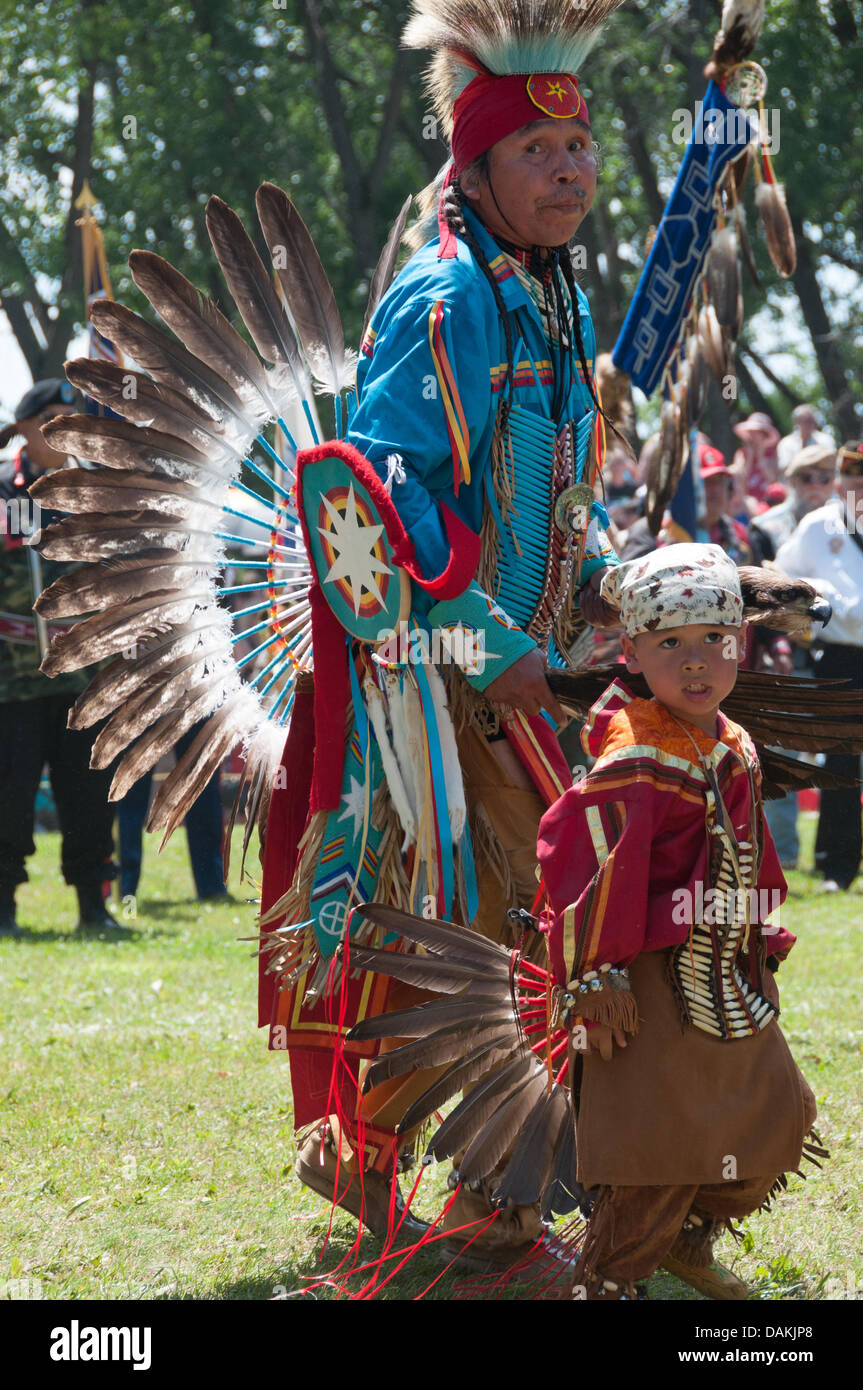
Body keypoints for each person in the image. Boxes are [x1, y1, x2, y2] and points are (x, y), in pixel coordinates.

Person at [259, 0, 622, 1264]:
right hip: (423, 689)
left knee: (536, 923)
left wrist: (610, 584)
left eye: (579, 152)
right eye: (539, 153)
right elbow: (389, 500)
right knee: (450, 923)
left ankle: (493, 1188)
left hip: (513, 680)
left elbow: (560, 489)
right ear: (473, 167)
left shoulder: (548, 298)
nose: (570, 170)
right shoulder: (447, 296)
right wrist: (484, 643)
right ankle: (456, 1199)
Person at [537, 544, 819, 1300]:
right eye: (669, 646)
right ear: (631, 652)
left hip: (726, 967)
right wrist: (595, 975)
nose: (695, 663)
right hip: (645, 982)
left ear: (741, 643)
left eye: (713, 642)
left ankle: (685, 1244)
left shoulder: (730, 739)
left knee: (774, 1120)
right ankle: (609, 1276)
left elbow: (751, 853)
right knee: (657, 1149)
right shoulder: (634, 753)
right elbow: (587, 861)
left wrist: (761, 934)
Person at [0, 380, 119, 936]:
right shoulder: (1, 490)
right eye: (51, 418)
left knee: (90, 798)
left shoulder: (95, 491)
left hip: (85, 682)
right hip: (11, 684)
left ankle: (94, 909)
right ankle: (3, 910)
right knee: (7, 797)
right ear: (24, 426)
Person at [776, 441, 863, 892]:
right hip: (842, 653)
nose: (859, 486)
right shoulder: (817, 527)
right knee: (843, 758)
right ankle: (837, 866)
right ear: (841, 481)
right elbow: (781, 578)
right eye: (853, 476)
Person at [117, 719, 228, 904]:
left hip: (193, 696)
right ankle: (125, 889)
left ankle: (212, 886)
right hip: (146, 695)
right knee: (131, 796)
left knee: (201, 792)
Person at [749, 442, 836, 564]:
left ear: (833, 483)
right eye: (807, 478)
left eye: (824, 479)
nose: (815, 485)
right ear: (793, 482)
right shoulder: (766, 528)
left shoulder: (845, 524)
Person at [700, 443, 753, 563]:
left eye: (719, 481)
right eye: (707, 481)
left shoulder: (741, 536)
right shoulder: (664, 535)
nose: (715, 489)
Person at [732, 411, 781, 505]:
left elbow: (773, 480)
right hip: (747, 501)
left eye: (757, 433)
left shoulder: (772, 453)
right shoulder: (741, 453)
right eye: (751, 432)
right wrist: (750, 457)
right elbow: (740, 479)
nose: (752, 436)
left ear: (764, 435)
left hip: (769, 501)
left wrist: (761, 457)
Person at [777, 404, 835, 476]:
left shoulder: (825, 439)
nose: (809, 424)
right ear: (796, 422)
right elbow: (784, 468)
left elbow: (831, 463)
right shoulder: (786, 443)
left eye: (811, 420)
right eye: (805, 421)